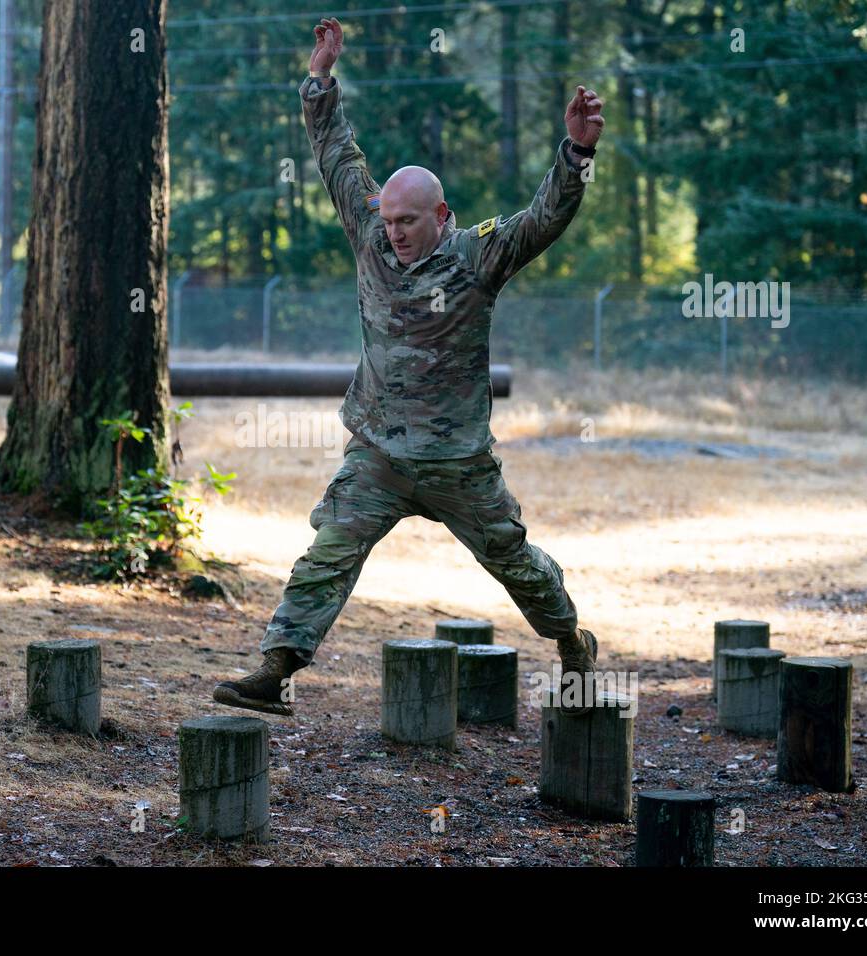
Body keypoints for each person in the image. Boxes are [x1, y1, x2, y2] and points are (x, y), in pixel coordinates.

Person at [214, 17, 606, 717]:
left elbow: (543, 217)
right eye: (388, 220)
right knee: (326, 554)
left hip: (457, 461)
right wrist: (320, 80)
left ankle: (573, 639)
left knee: (515, 564)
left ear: (442, 216)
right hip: (381, 455)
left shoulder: (478, 255)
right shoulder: (370, 234)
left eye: (407, 222)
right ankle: (275, 672)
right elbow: (336, 153)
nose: (393, 233)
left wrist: (576, 153)